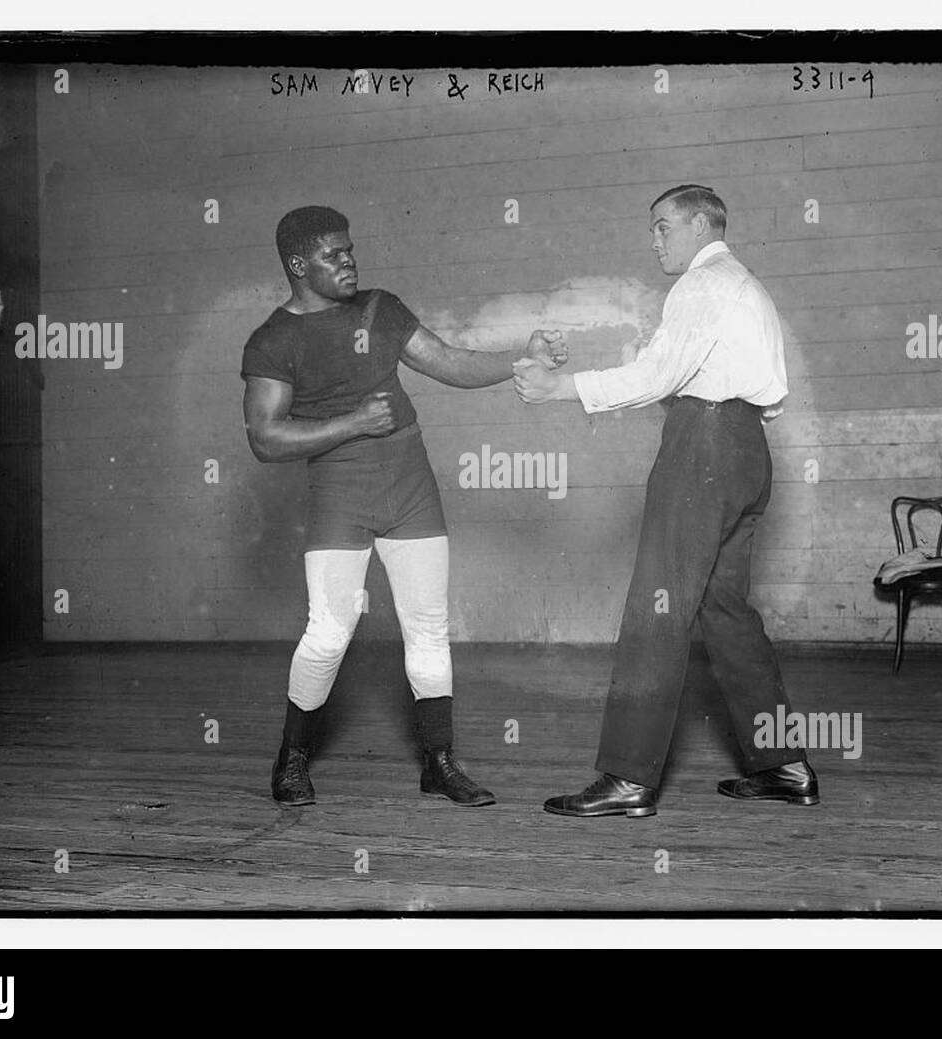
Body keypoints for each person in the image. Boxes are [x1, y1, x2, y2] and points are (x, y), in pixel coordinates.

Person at [242, 205, 565, 809]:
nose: (348, 260)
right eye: (332, 254)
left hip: (410, 483)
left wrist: (522, 357)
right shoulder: (274, 339)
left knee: (428, 627)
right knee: (330, 632)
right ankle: (291, 761)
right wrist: (353, 422)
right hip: (341, 491)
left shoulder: (378, 308)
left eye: (350, 249)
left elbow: (451, 363)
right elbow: (265, 438)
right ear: (296, 265)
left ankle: (439, 764)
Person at [513, 185, 818, 818]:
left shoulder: (703, 285)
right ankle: (783, 764)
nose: (654, 241)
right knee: (725, 610)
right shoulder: (745, 285)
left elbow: (660, 377)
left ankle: (628, 779)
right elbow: (745, 390)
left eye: (663, 227)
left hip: (702, 449)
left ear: (702, 225)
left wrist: (559, 387)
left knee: (657, 607)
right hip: (746, 449)